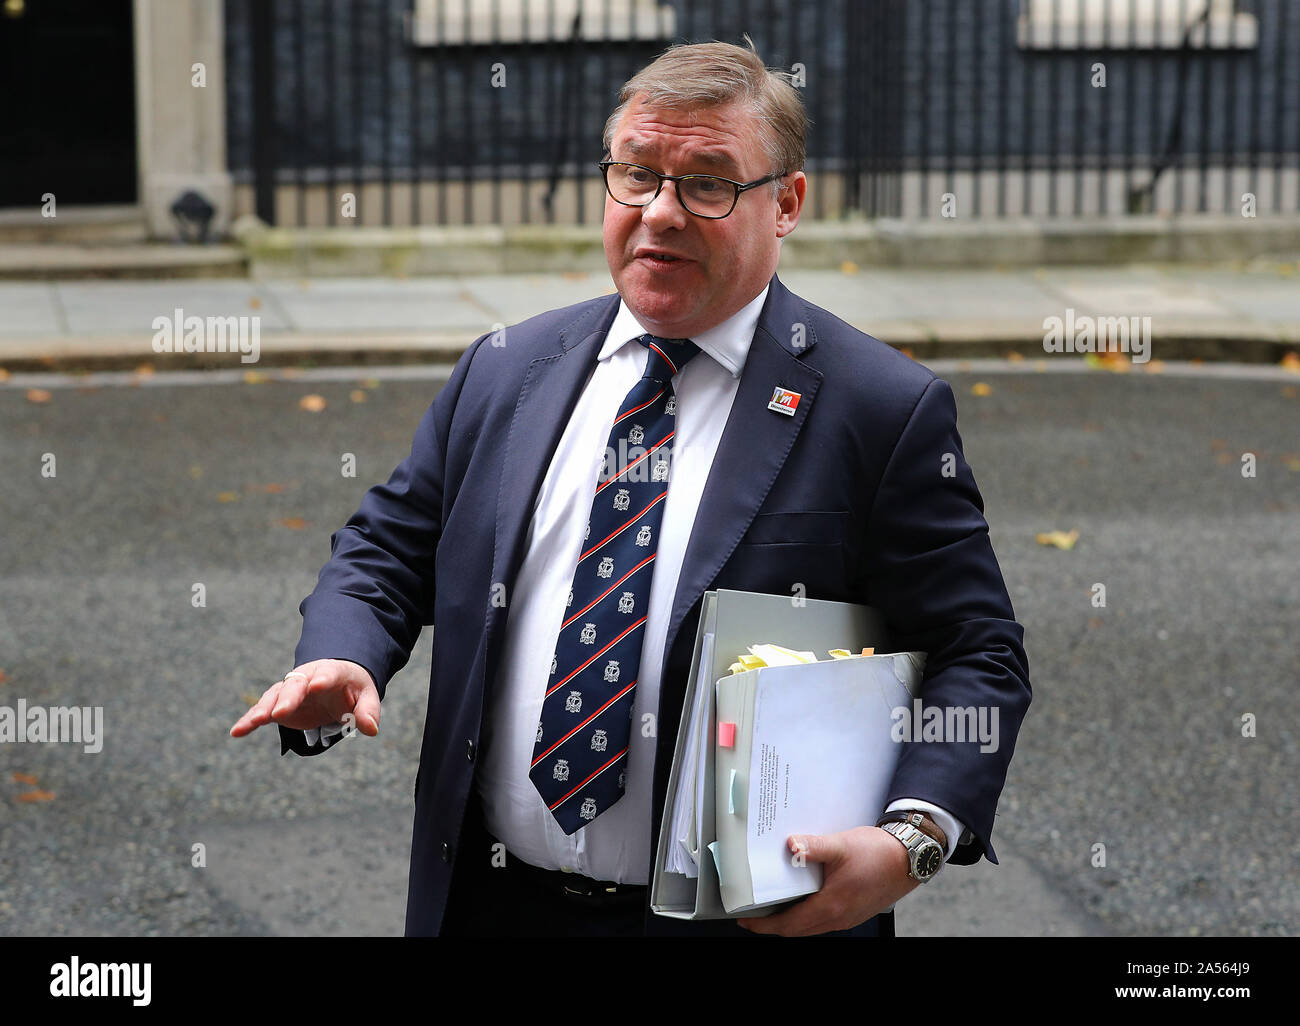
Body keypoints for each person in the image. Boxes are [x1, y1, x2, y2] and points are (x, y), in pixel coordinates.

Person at [230, 38, 1031, 938]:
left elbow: (978, 653)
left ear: (788, 203)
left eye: (708, 183)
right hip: (492, 904)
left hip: (747, 922)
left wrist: (910, 839)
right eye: (636, 175)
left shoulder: (880, 407)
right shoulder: (508, 369)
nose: (662, 213)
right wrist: (342, 653)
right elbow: (392, 544)